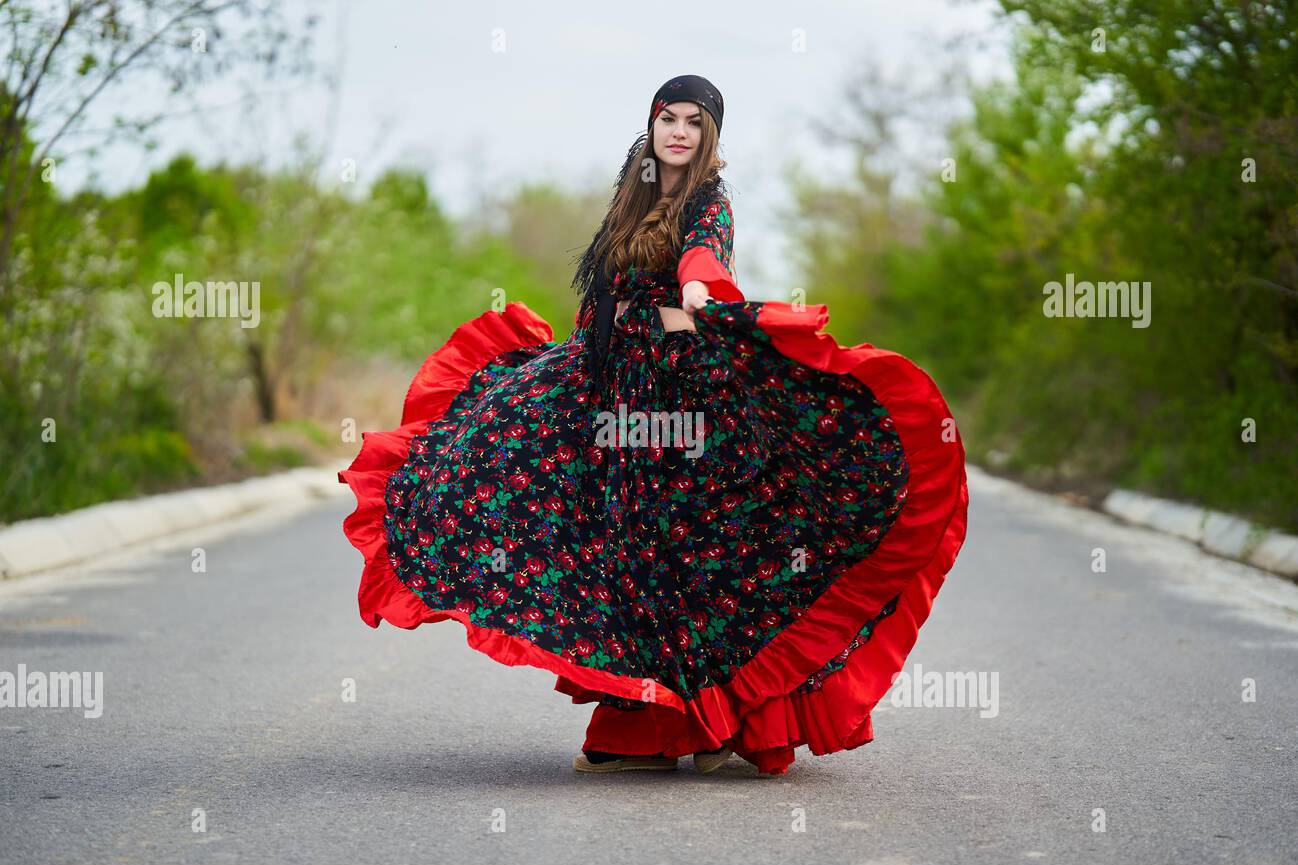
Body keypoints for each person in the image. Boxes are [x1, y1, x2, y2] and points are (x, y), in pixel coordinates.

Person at [338, 74, 969, 777]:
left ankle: (682, 723)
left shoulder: (710, 201)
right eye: (668, 117)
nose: (678, 131)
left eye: (694, 122)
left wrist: (699, 289)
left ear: (711, 136)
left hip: (674, 396)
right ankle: (648, 720)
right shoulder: (634, 190)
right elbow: (604, 287)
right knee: (524, 492)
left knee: (672, 554)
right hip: (607, 383)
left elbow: (702, 263)